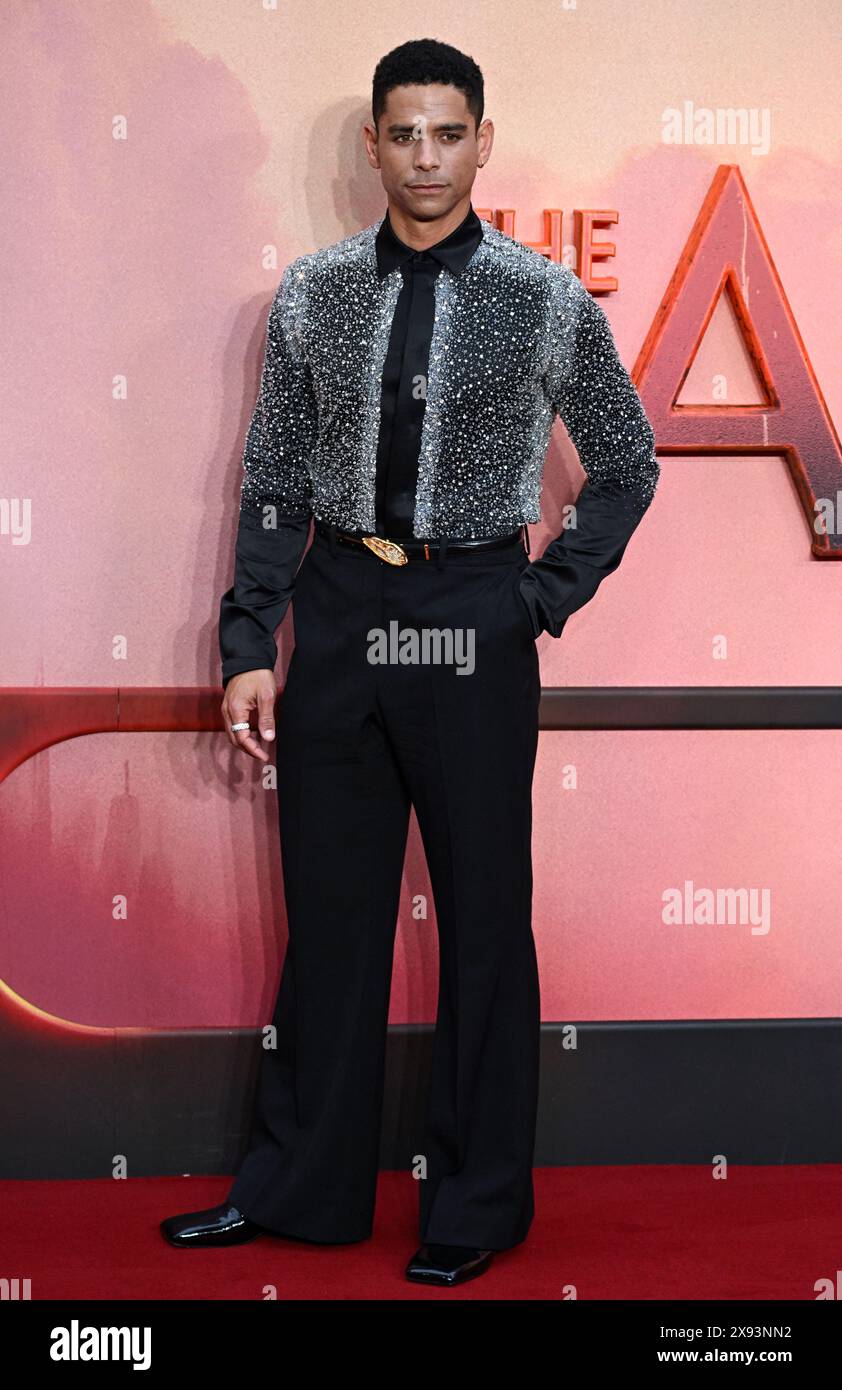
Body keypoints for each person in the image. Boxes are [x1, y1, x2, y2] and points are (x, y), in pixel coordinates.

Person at [161, 37, 659, 1288]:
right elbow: (272, 476)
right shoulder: (312, 293)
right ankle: (297, 1190)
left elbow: (624, 461)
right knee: (330, 919)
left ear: (481, 142)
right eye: (402, 133)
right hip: (336, 612)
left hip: (472, 615)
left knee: (483, 920)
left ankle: (473, 1207)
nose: (424, 157)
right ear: (372, 145)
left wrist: (534, 599)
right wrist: (248, 639)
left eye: (446, 133)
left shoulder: (543, 297)